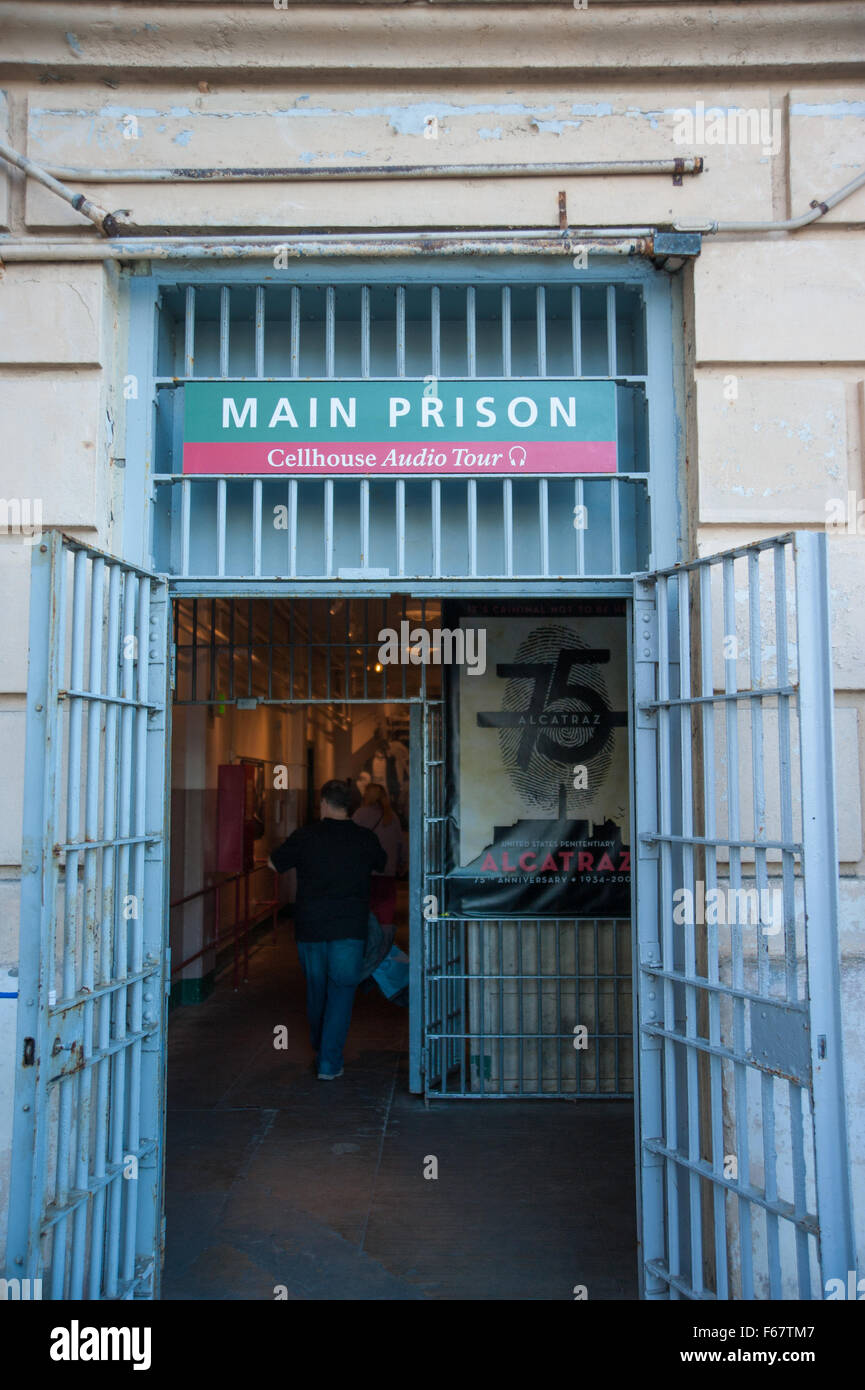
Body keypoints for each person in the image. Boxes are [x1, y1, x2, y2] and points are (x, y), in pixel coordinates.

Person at [269, 779, 385, 1080]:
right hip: (350, 926)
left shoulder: (305, 836)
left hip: (310, 926)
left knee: (317, 991)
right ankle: (329, 1062)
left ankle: (322, 1047)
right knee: (342, 992)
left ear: (323, 803)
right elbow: (383, 864)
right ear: (353, 807)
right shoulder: (364, 839)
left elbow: (274, 863)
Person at [352, 783, 405, 929]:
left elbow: (351, 842)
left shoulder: (359, 815)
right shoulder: (392, 817)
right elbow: (400, 843)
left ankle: (369, 941)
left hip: (364, 871)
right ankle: (384, 941)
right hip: (387, 871)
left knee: (366, 907)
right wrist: (402, 863)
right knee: (385, 909)